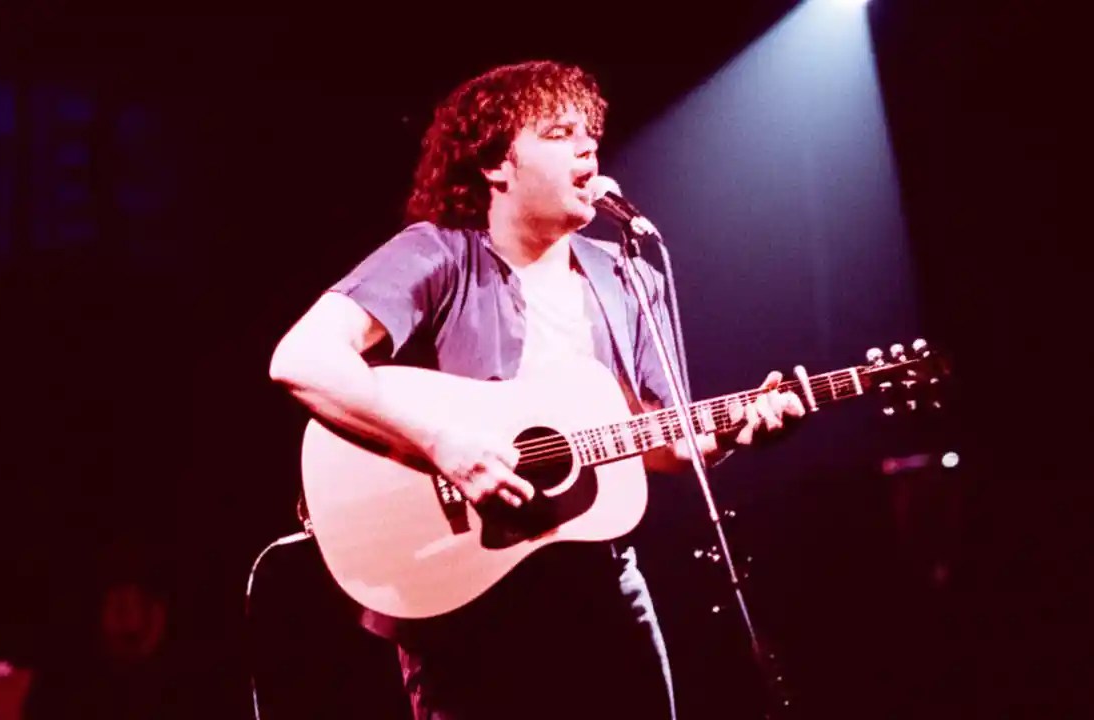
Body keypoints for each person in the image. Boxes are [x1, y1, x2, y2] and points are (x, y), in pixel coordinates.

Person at [268, 59, 805, 720]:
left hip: (603, 585)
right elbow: (303, 358)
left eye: (591, 134)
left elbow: (664, 440)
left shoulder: (629, 276)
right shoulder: (439, 255)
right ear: (496, 165)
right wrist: (445, 446)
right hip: (465, 597)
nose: (587, 147)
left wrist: (729, 430)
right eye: (558, 132)